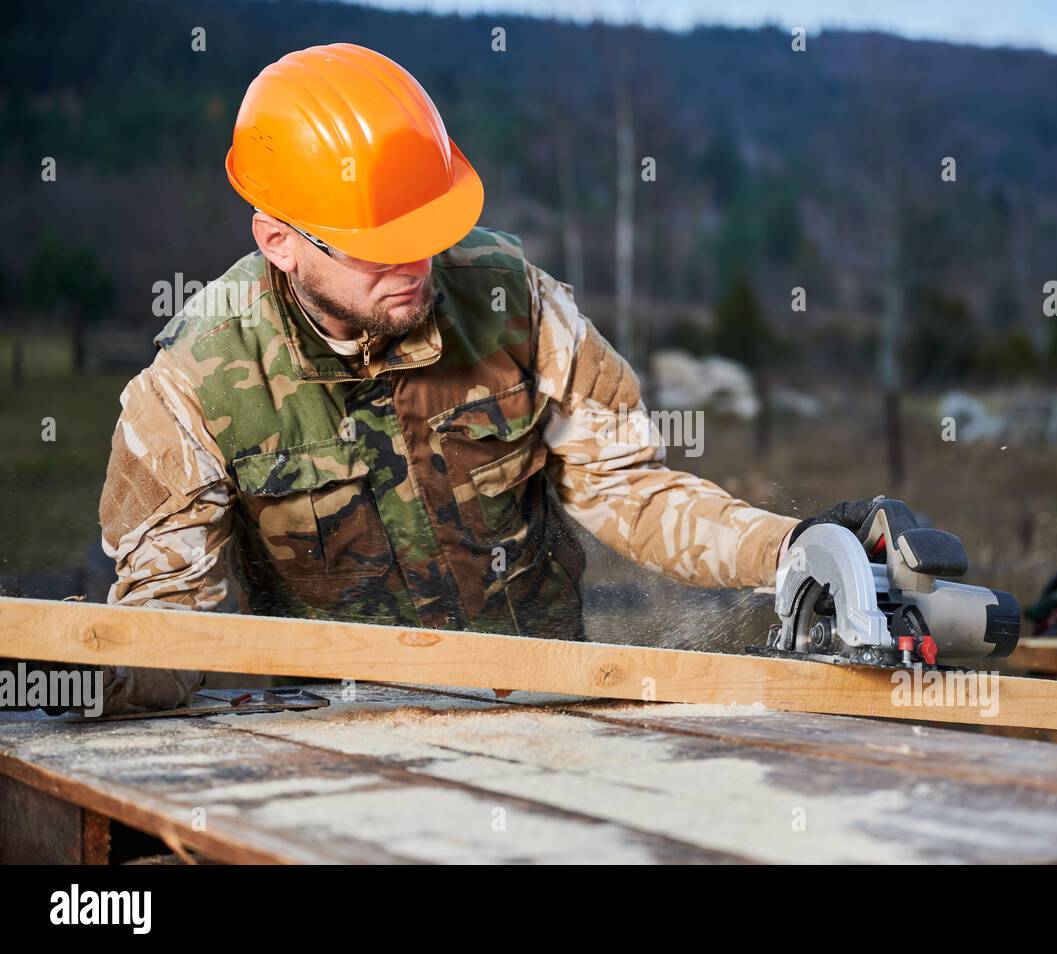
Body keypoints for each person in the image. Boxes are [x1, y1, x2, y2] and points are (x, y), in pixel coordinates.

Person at [93, 43, 876, 715]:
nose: (413, 269)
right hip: (330, 748)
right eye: (379, 248)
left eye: (428, 235)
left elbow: (630, 492)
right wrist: (83, 673)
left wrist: (798, 550)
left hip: (546, 715)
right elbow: (170, 620)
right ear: (279, 241)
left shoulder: (510, 301)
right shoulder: (193, 385)